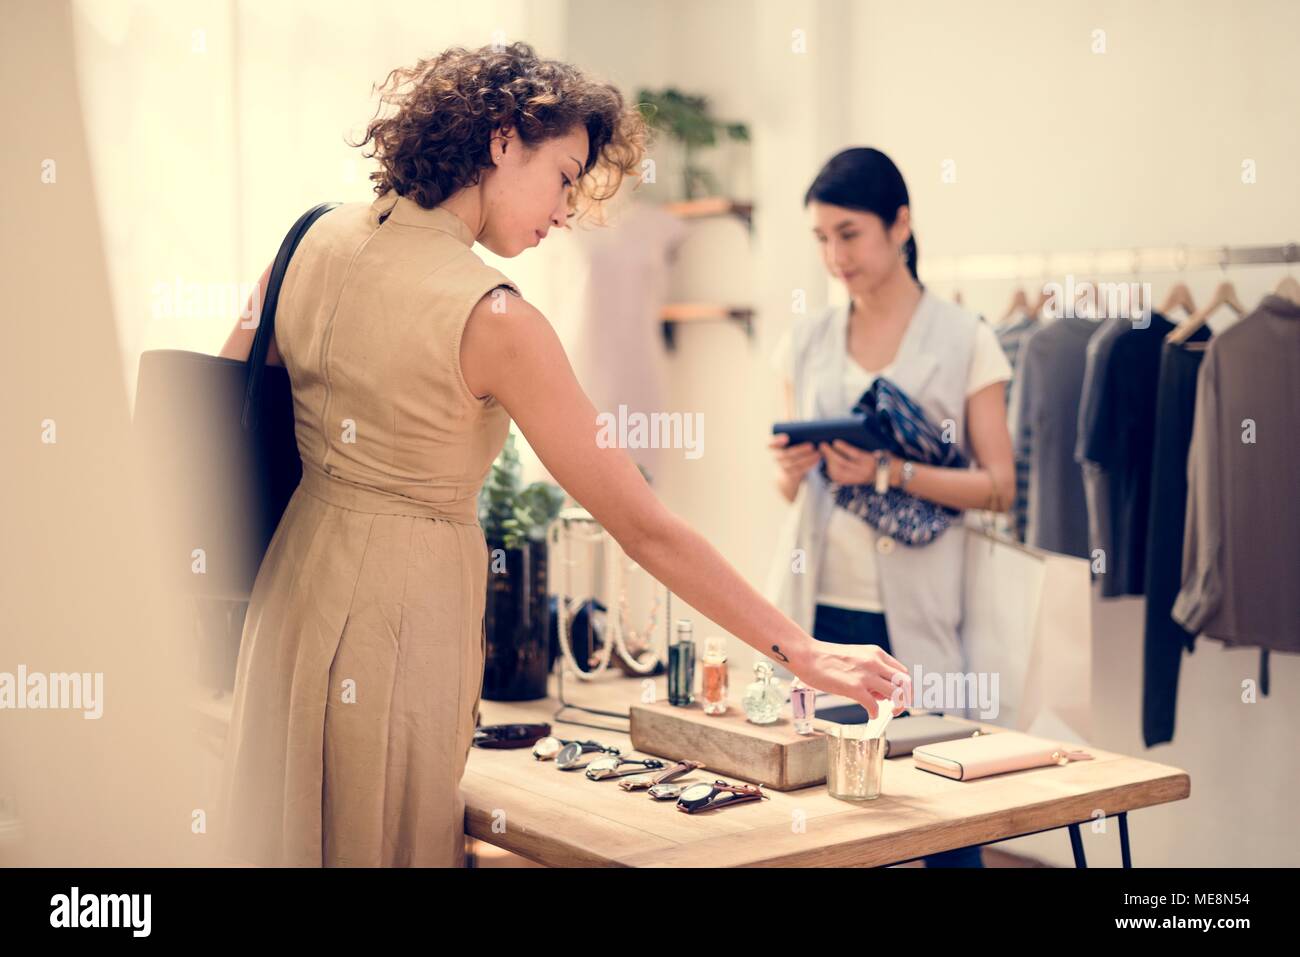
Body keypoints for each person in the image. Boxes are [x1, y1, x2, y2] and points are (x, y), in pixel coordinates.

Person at [214, 42, 907, 868]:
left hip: (285, 601)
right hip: (398, 627)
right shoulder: (495, 316)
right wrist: (807, 651)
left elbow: (221, 407)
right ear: (502, 140)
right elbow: (642, 525)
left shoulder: (310, 242)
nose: (567, 207)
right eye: (566, 175)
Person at [765, 148, 1016, 867]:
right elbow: (792, 494)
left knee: (943, 820)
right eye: (820, 238)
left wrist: (890, 472)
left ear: (900, 224)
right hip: (820, 613)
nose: (834, 255)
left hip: (918, 617)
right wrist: (789, 468)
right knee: (823, 819)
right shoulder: (806, 340)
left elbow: (1000, 486)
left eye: (849, 234)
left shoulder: (967, 339)